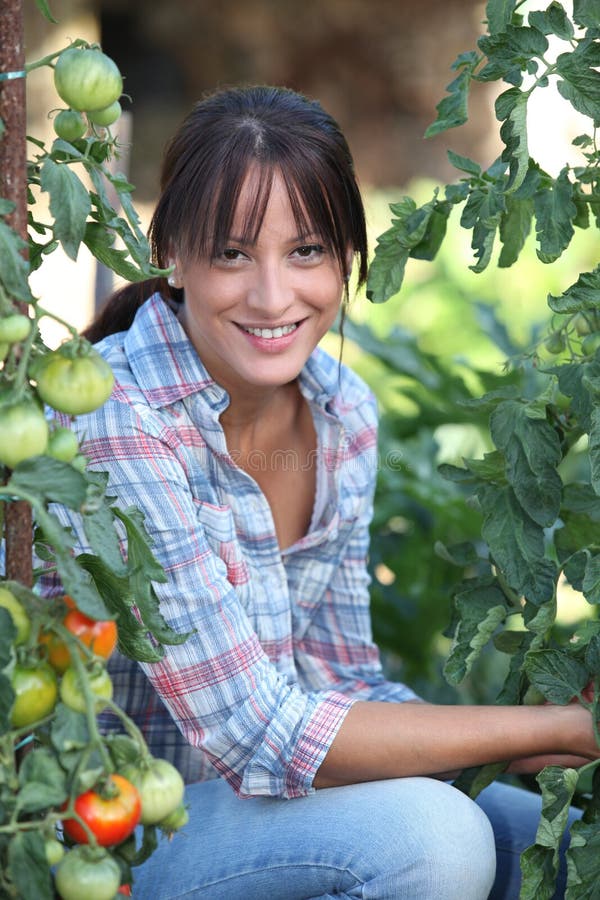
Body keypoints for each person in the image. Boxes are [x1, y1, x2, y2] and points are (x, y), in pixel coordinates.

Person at [51, 84, 595, 899]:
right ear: (171, 251)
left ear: (346, 252)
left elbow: (341, 684)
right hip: (106, 837)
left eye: (306, 251)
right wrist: (557, 727)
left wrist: (519, 737)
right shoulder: (116, 421)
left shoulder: (341, 412)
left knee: (562, 850)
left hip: (249, 811)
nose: (273, 298)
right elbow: (257, 729)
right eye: (232, 254)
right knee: (436, 839)